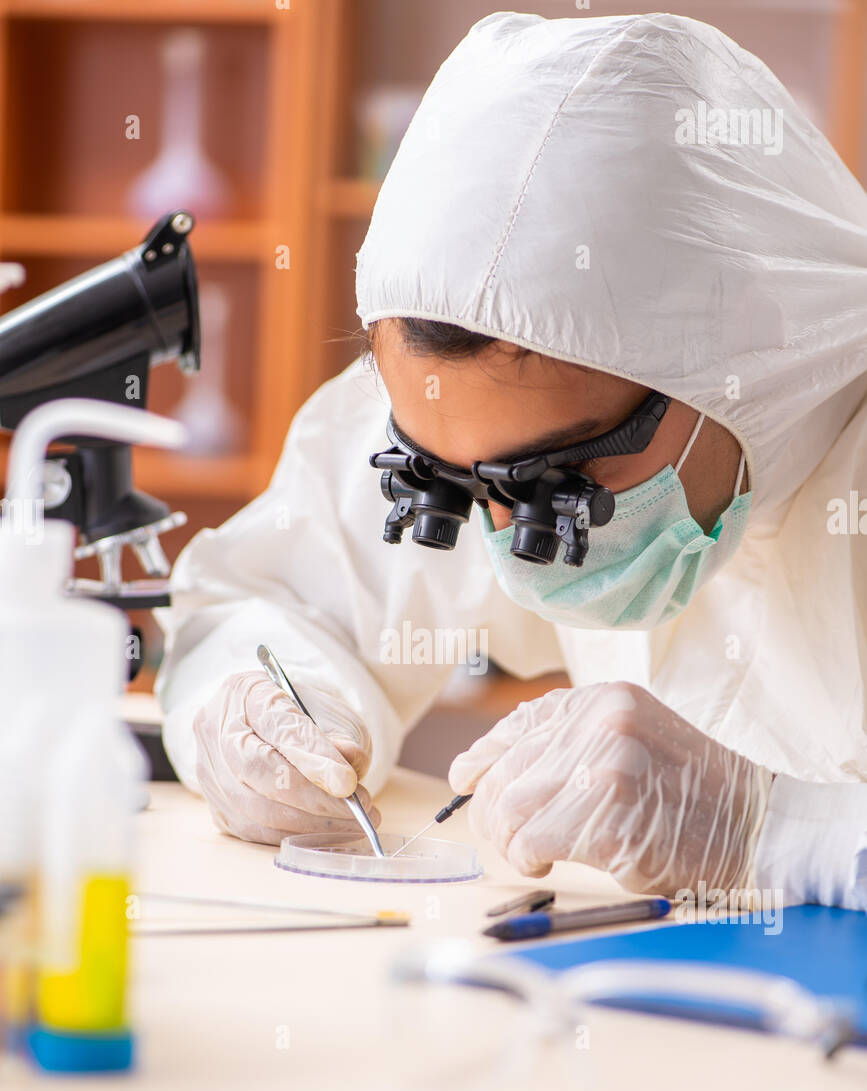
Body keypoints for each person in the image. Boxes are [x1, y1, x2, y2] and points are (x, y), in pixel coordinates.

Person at [157, 11, 867, 907]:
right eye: (446, 481)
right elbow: (287, 603)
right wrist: (272, 713)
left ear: (748, 359)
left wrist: (784, 834)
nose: (503, 538)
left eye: (550, 489)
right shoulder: (485, 413)